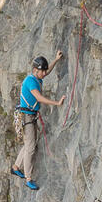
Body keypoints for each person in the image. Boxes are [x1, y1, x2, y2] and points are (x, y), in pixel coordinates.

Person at [12, 52, 65, 191]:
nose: (44, 74)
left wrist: (56, 60)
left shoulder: (38, 76)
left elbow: (47, 72)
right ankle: (28, 178)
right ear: (36, 70)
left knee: (29, 143)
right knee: (31, 148)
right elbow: (39, 98)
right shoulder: (30, 81)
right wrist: (57, 103)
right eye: (42, 71)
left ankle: (16, 167)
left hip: (30, 115)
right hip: (26, 117)